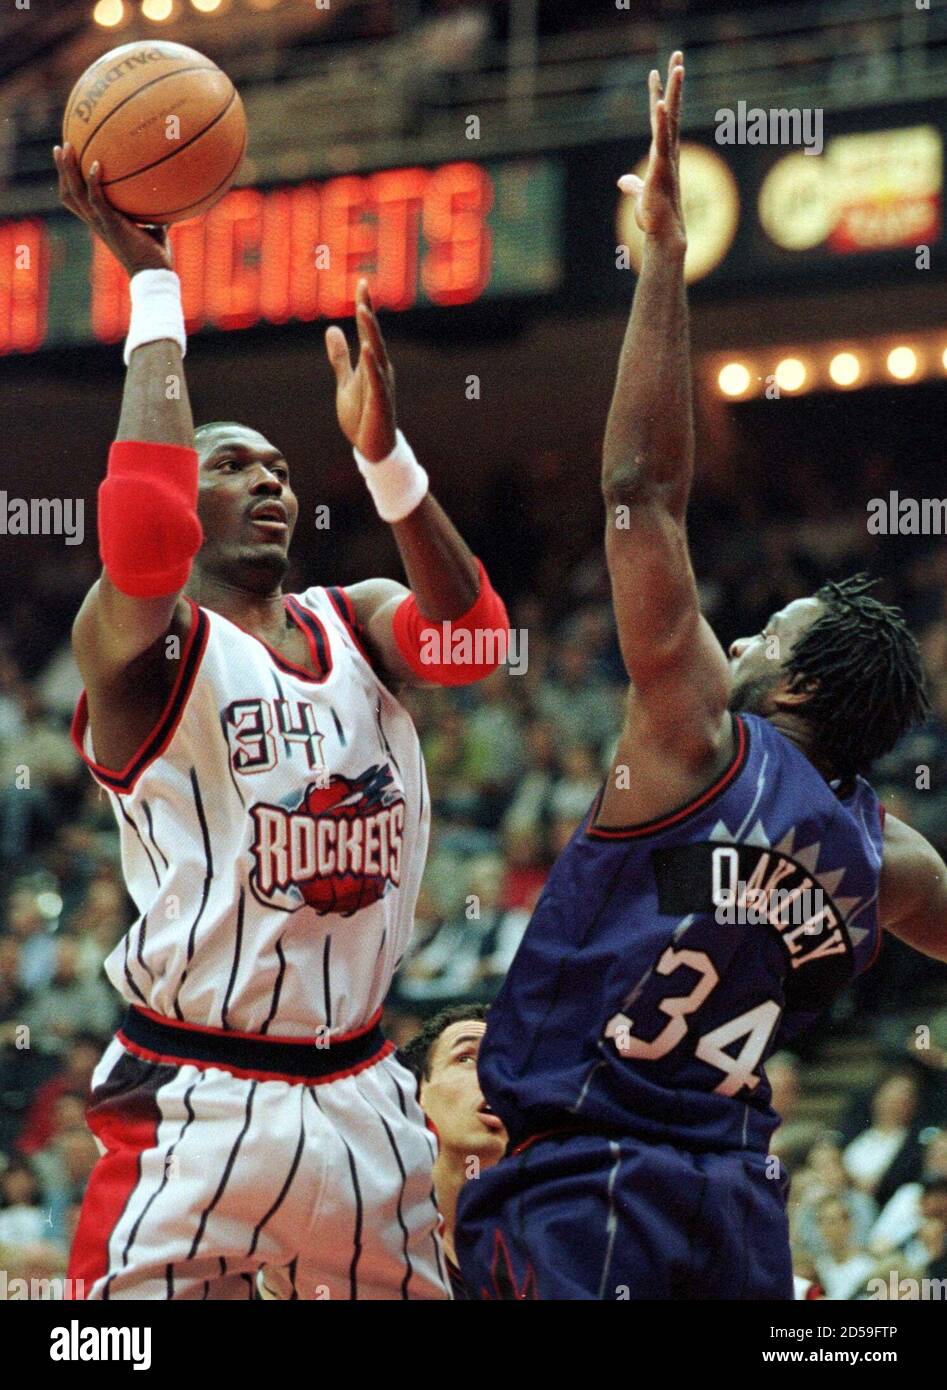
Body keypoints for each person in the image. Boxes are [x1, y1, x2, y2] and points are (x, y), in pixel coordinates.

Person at [455, 52, 947, 1300]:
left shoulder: (694, 738)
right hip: (736, 1200)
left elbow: (637, 492)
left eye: (762, 633)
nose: (732, 641)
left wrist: (662, 259)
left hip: (586, 1182)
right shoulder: (886, 862)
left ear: (785, 688)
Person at [52, 140, 508, 1300]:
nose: (271, 481)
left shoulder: (353, 618)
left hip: (361, 1091)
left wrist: (385, 457)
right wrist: (154, 291)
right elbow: (144, 530)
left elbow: (474, 639)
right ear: (187, 494)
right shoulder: (139, 647)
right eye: (234, 464)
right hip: (191, 1095)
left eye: (282, 469)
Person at [258, 1005, 507, 1299]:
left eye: (509, 1065)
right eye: (466, 1058)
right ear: (413, 1095)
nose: (495, 1076)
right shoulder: (350, 1222)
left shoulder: (542, 1248)